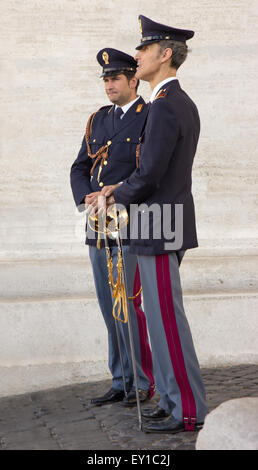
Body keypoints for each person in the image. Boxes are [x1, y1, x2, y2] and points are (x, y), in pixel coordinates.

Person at [101, 16, 208, 433]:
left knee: (167, 322)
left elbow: (151, 175)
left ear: (165, 55)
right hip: (157, 223)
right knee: (159, 322)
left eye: (144, 49)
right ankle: (169, 398)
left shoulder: (166, 105)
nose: (138, 54)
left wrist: (113, 193)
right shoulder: (169, 102)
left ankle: (188, 409)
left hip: (160, 224)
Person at [70, 48, 154, 407]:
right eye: (105, 79)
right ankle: (120, 379)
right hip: (98, 222)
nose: (109, 85)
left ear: (133, 80)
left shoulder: (150, 116)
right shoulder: (97, 121)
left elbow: (149, 170)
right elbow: (78, 167)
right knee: (108, 304)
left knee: (128, 303)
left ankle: (143, 380)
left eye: (115, 78)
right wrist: (87, 196)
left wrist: (117, 193)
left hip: (131, 221)